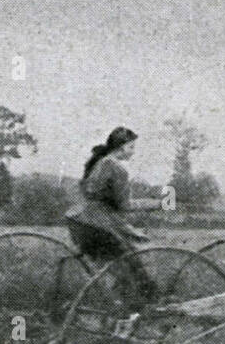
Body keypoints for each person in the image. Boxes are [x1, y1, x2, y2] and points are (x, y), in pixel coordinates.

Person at [64, 126, 160, 305]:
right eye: (132, 147)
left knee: (118, 264)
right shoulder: (117, 168)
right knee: (143, 249)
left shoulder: (100, 162)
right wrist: (155, 204)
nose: (133, 152)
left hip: (81, 219)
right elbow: (125, 206)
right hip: (100, 222)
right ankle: (148, 301)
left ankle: (124, 305)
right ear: (122, 147)